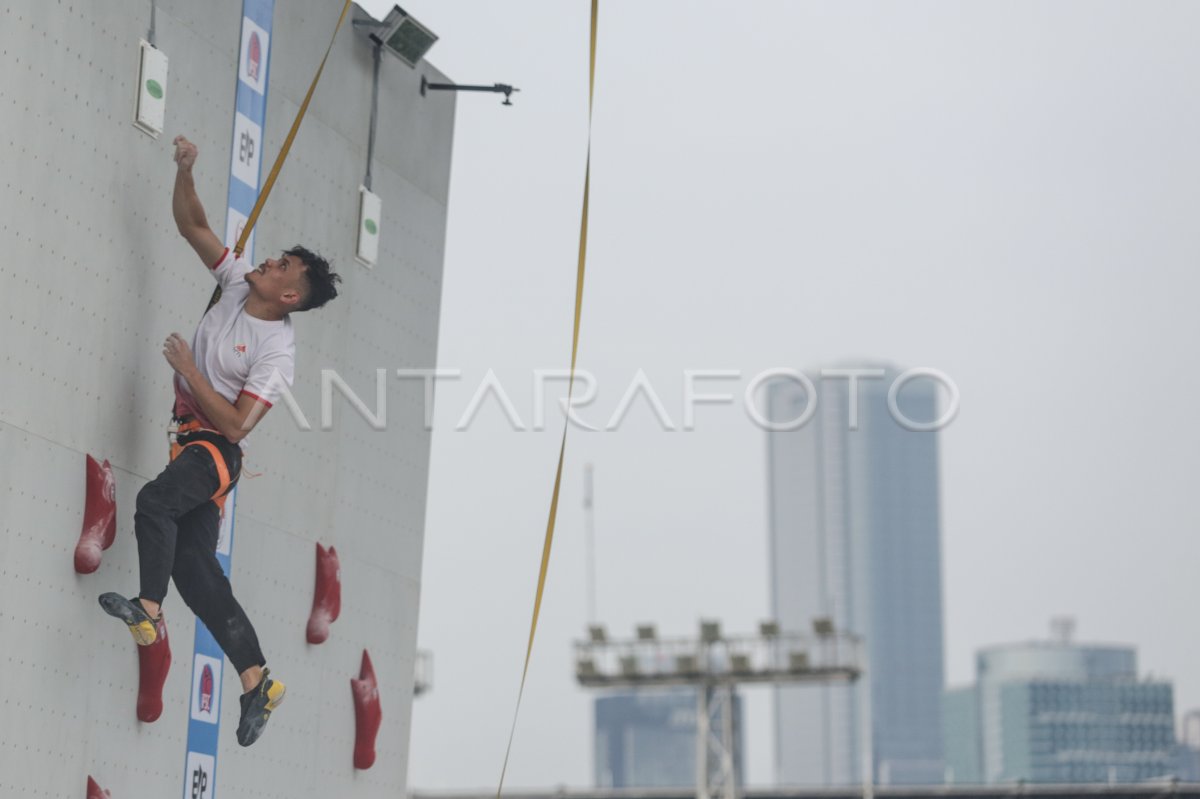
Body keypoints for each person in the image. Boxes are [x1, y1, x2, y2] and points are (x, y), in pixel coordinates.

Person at [99, 134, 341, 747]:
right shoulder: (238, 282)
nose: (268, 262)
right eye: (276, 257)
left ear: (289, 296)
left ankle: (149, 614)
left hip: (214, 451)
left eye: (282, 266)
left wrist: (189, 370)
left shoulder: (276, 354)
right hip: (189, 445)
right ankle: (257, 680)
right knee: (195, 570)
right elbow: (192, 224)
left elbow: (236, 425)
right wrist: (185, 171)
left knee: (154, 503)